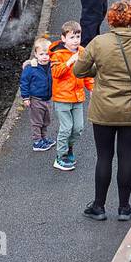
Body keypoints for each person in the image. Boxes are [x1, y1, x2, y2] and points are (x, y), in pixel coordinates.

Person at [74, 1, 131, 222]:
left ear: (110, 19)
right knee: (127, 157)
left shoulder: (99, 43)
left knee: (104, 157)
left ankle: (99, 206)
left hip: (104, 110)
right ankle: (124, 208)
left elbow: (79, 70)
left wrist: (99, 70)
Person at [49, 21, 93, 171]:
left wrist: (91, 88)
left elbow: (86, 73)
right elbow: (55, 73)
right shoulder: (57, 54)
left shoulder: (82, 52)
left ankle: (68, 149)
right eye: (72, 37)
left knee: (78, 128)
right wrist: (68, 62)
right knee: (66, 128)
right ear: (63, 38)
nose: (75, 40)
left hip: (78, 97)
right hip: (62, 98)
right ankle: (60, 157)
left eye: (78, 36)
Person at [19, 37, 55, 152]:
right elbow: (24, 83)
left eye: (47, 54)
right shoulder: (30, 68)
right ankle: (37, 141)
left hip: (48, 99)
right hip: (36, 99)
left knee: (46, 120)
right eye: (42, 54)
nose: (45, 57)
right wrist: (25, 97)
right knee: (37, 122)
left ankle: (44, 138)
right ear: (36, 54)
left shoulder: (51, 66)